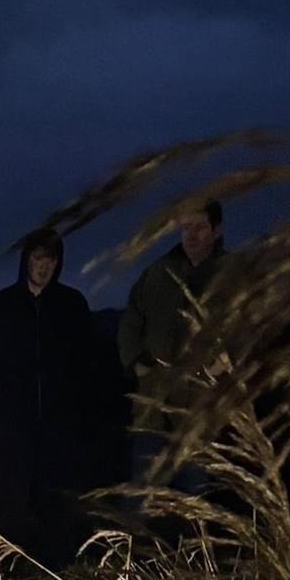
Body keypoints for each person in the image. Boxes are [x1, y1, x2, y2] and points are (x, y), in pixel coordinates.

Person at [0, 227, 111, 559]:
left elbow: (89, 362)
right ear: (26, 261)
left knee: (57, 496)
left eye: (50, 259)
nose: (44, 266)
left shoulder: (71, 305)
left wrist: (82, 411)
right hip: (12, 422)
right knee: (12, 497)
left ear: (58, 263)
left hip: (59, 424)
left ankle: (57, 567)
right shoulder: (1, 306)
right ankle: (11, 565)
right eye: (38, 258)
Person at [117, 200, 226, 483]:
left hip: (201, 411)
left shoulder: (231, 272)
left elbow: (253, 327)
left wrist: (225, 363)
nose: (191, 235)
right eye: (186, 228)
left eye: (199, 228)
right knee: (143, 496)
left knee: (195, 496)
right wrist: (139, 364)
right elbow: (130, 323)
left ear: (216, 231)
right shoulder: (158, 273)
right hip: (153, 409)